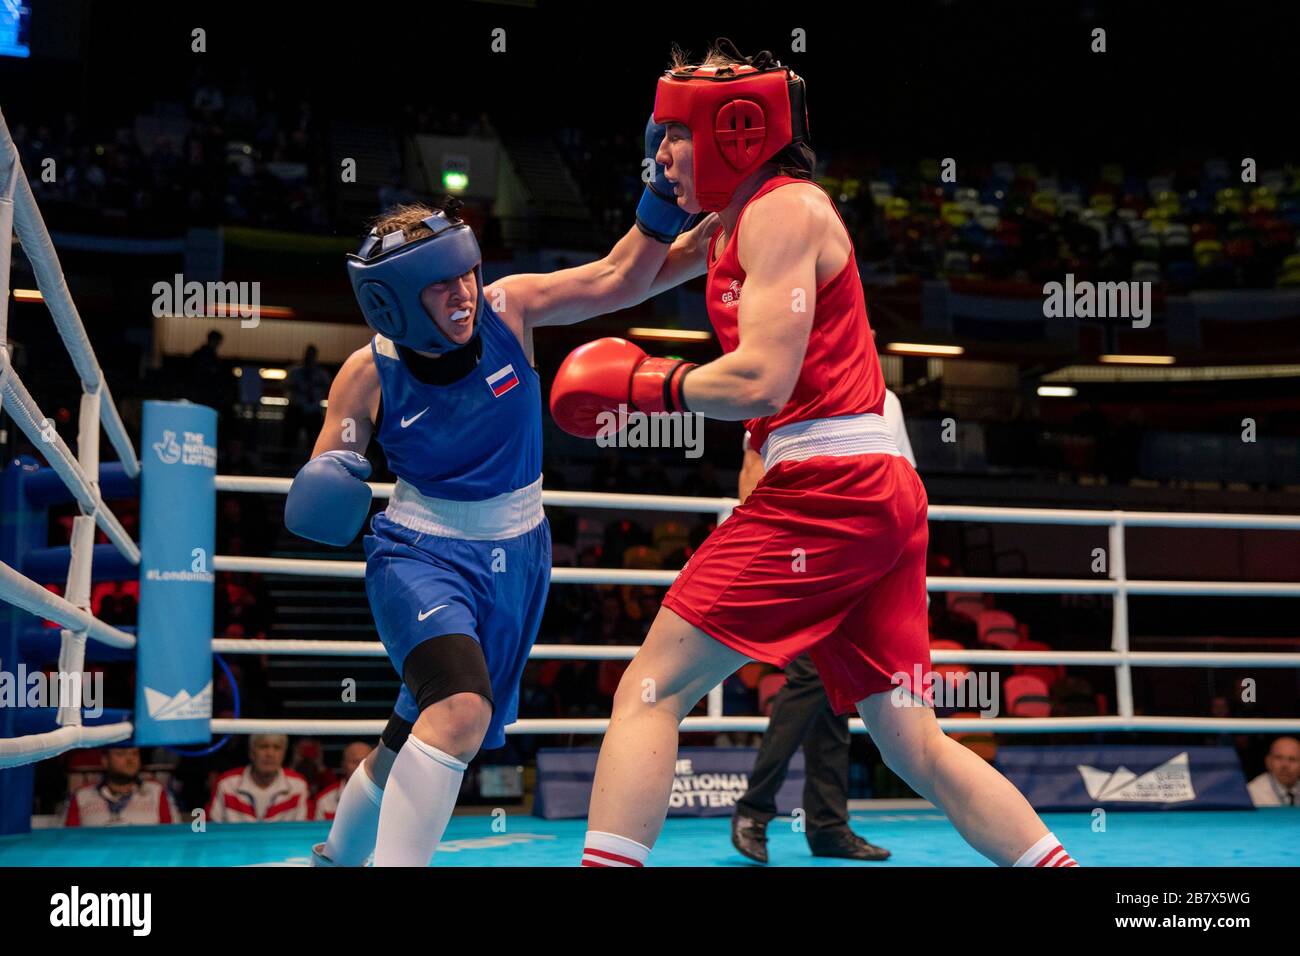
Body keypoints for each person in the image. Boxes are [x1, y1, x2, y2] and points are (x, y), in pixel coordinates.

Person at [551, 40, 1076, 868]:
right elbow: (620, 278)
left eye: (673, 138)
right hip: (865, 492)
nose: (658, 157)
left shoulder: (785, 212)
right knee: (916, 749)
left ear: (735, 132)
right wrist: (506, 302)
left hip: (832, 488)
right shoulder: (732, 221)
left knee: (650, 689)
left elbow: (762, 379)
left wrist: (647, 383)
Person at [286, 124, 718, 867]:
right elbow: (328, 476)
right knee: (457, 712)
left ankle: (336, 855)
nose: (462, 295)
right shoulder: (367, 373)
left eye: (465, 275)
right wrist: (328, 477)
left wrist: (683, 203)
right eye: (441, 284)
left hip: (518, 557)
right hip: (418, 555)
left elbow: (625, 277)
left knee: (410, 735)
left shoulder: (508, 308)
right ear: (391, 302)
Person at [732, 388, 913, 863]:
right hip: (799, 550)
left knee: (834, 694)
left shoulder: (886, 400)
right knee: (811, 680)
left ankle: (828, 826)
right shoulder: (776, 383)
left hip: (864, 554)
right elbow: (752, 474)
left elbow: (904, 483)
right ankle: (754, 809)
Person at [63, 746, 180, 827]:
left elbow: (172, 834)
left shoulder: (156, 792)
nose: (130, 759)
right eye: (121, 754)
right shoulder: (82, 795)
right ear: (105, 760)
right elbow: (66, 839)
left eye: (134, 753)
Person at [206, 733, 311, 823]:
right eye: (263, 746)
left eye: (277, 747)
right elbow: (209, 829)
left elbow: (304, 833)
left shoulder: (298, 785)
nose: (270, 754)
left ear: (284, 754)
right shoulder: (226, 784)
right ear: (251, 753)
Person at [283, 345, 331, 449]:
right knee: (289, 438)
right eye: (308, 354)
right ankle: (285, 461)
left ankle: (314, 461)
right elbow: (285, 385)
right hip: (296, 408)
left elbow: (327, 388)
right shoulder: (295, 372)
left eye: (311, 355)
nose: (309, 357)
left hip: (313, 410)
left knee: (314, 440)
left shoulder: (321, 374)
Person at [314, 742, 372, 821]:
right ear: (343, 765)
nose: (360, 766)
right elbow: (318, 832)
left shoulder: (385, 797)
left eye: (365, 761)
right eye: (355, 762)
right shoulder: (325, 800)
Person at [1247, 736, 1299, 806]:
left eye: (1292, 759)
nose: (1285, 765)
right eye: (1279, 758)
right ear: (1268, 761)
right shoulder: (1252, 792)